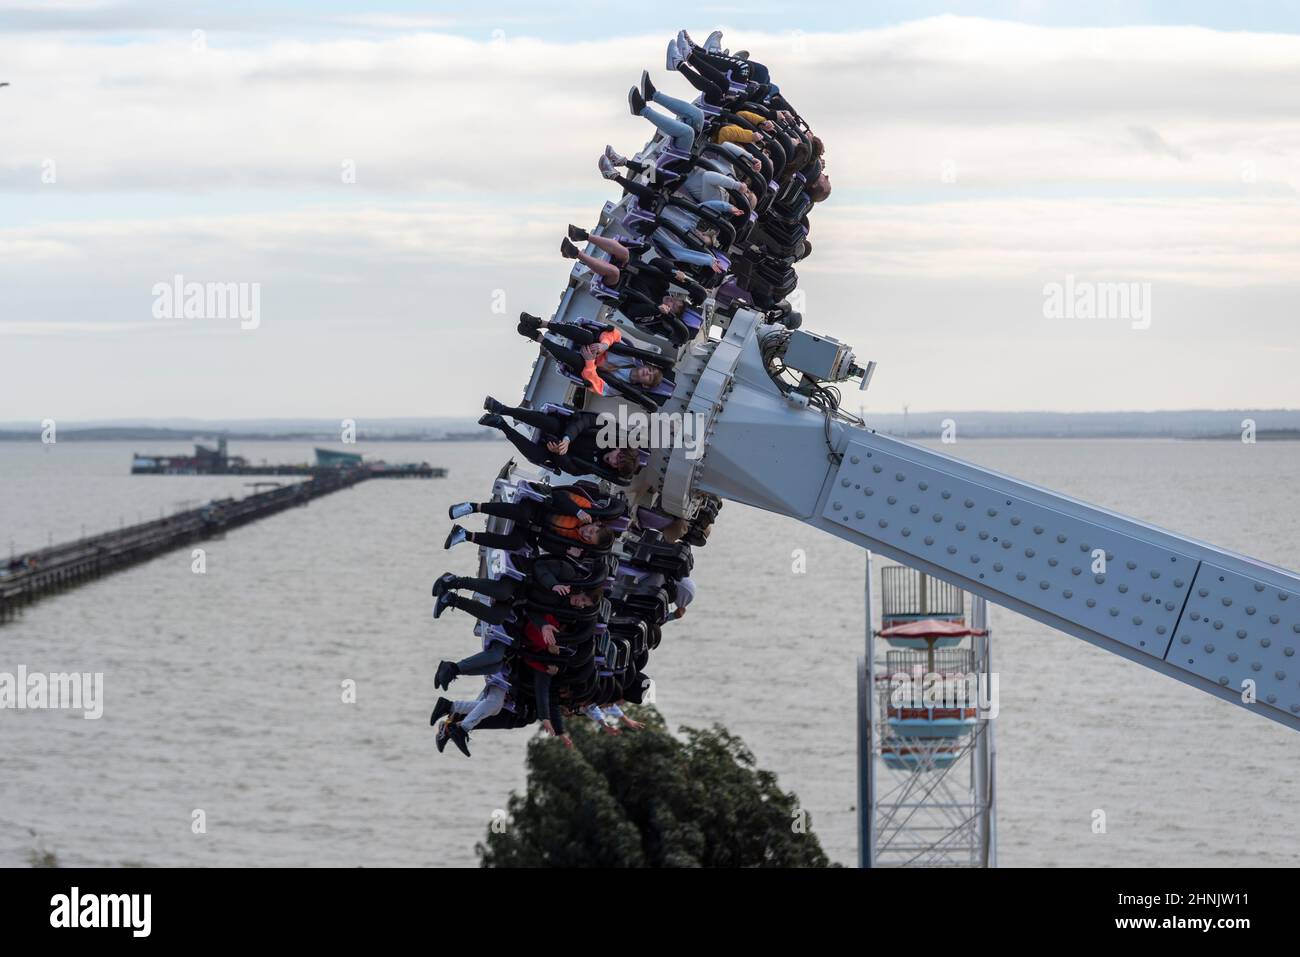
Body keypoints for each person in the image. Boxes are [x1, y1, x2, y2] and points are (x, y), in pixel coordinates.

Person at [475, 398, 642, 484]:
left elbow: (572, 469)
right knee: (551, 424)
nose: (613, 461)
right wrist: (568, 438)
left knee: (537, 456)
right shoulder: (608, 433)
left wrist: (559, 453)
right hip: (565, 428)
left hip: (555, 451)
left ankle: (501, 425)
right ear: (619, 449)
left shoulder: (596, 468)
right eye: (618, 457)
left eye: (616, 465)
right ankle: (502, 409)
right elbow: (586, 421)